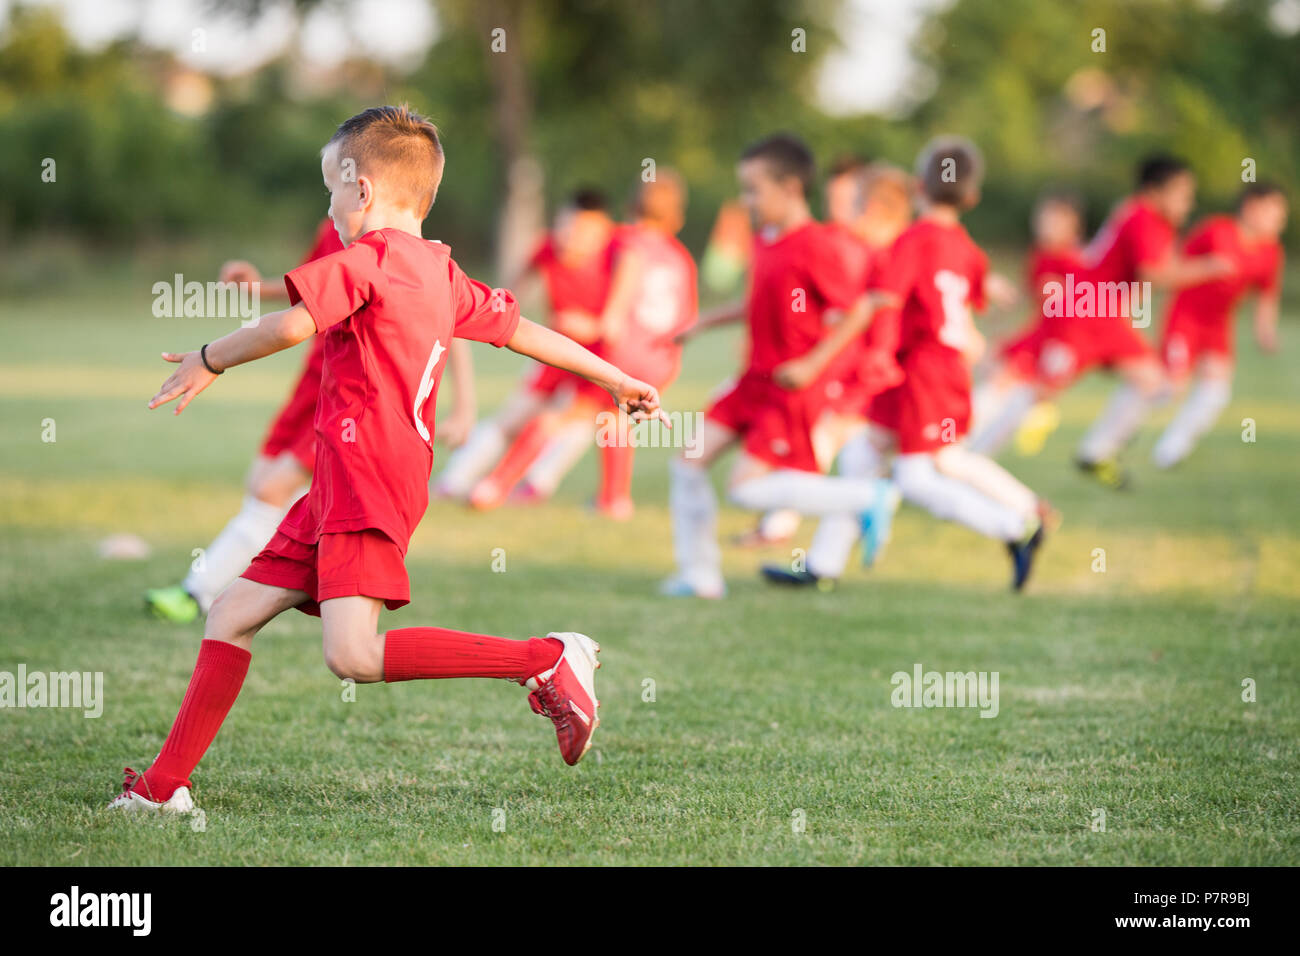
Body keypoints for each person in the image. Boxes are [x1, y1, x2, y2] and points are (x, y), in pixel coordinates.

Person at [111, 105, 668, 814]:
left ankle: (546, 660)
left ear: (363, 190)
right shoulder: (435, 268)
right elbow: (524, 331)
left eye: (331, 189)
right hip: (353, 481)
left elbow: (289, 325)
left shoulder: (369, 259)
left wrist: (209, 357)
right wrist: (614, 376)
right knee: (231, 613)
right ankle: (162, 789)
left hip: (365, 481)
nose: (331, 206)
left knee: (354, 657)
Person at [661, 133, 901, 599]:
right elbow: (759, 301)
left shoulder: (818, 246)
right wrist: (706, 321)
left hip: (789, 389)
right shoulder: (766, 239)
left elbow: (856, 311)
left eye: (754, 189)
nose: (747, 200)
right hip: (752, 381)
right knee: (687, 464)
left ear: (790, 187)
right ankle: (700, 576)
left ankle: (866, 498)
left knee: (746, 491)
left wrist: (812, 365)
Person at [1149, 182, 1286, 468]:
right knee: (1171, 388)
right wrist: (1208, 267)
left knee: (1216, 394)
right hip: (1185, 316)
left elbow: (1266, 296)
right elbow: (1171, 266)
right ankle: (1124, 425)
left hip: (1218, 325)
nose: (1280, 222)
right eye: (1274, 213)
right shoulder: (1216, 231)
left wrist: (1265, 331)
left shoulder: (1272, 252)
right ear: (1251, 208)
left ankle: (1171, 450)